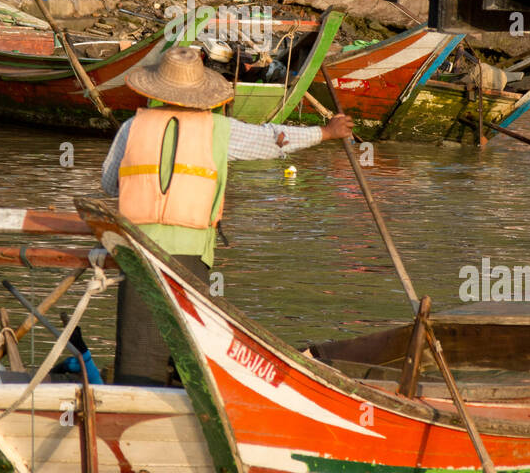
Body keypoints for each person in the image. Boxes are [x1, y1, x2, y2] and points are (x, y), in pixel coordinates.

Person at [100, 43, 354, 384]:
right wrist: (325, 132)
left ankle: (133, 404)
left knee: (139, 346)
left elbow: (109, 184)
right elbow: (272, 140)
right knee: (187, 342)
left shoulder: (133, 126)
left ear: (156, 91)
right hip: (189, 253)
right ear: (203, 95)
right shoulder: (219, 130)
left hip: (138, 249)